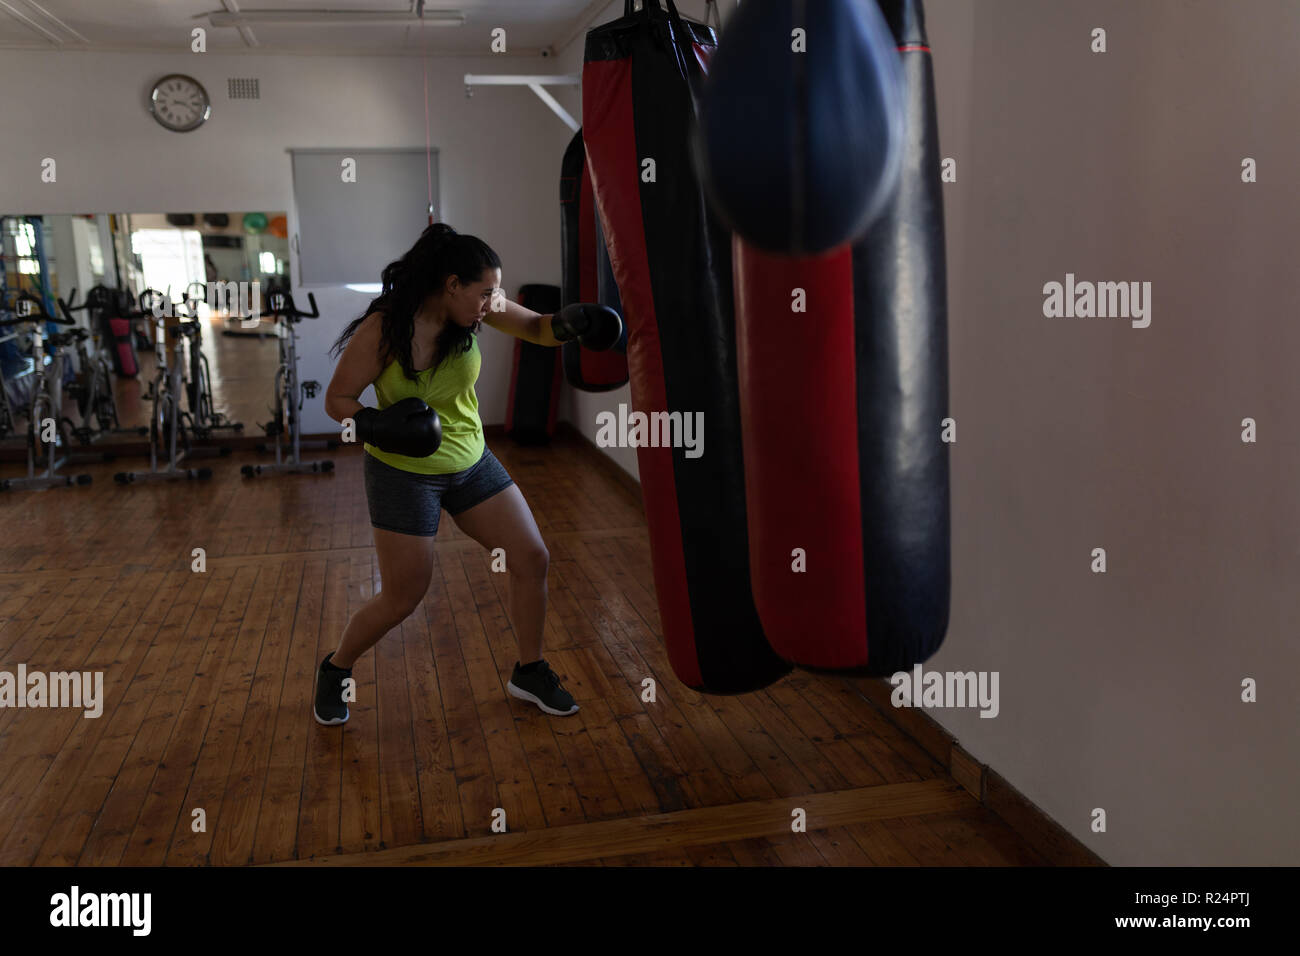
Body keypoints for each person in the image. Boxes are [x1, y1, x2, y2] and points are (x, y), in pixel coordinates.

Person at [315, 222, 621, 726]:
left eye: (494, 293)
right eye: (484, 292)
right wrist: (379, 426)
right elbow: (337, 402)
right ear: (451, 284)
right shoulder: (385, 329)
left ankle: (530, 669)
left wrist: (574, 323)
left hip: (471, 460)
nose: (491, 303)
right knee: (404, 594)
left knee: (531, 557)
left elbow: (538, 329)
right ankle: (335, 668)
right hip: (403, 472)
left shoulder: (480, 305)